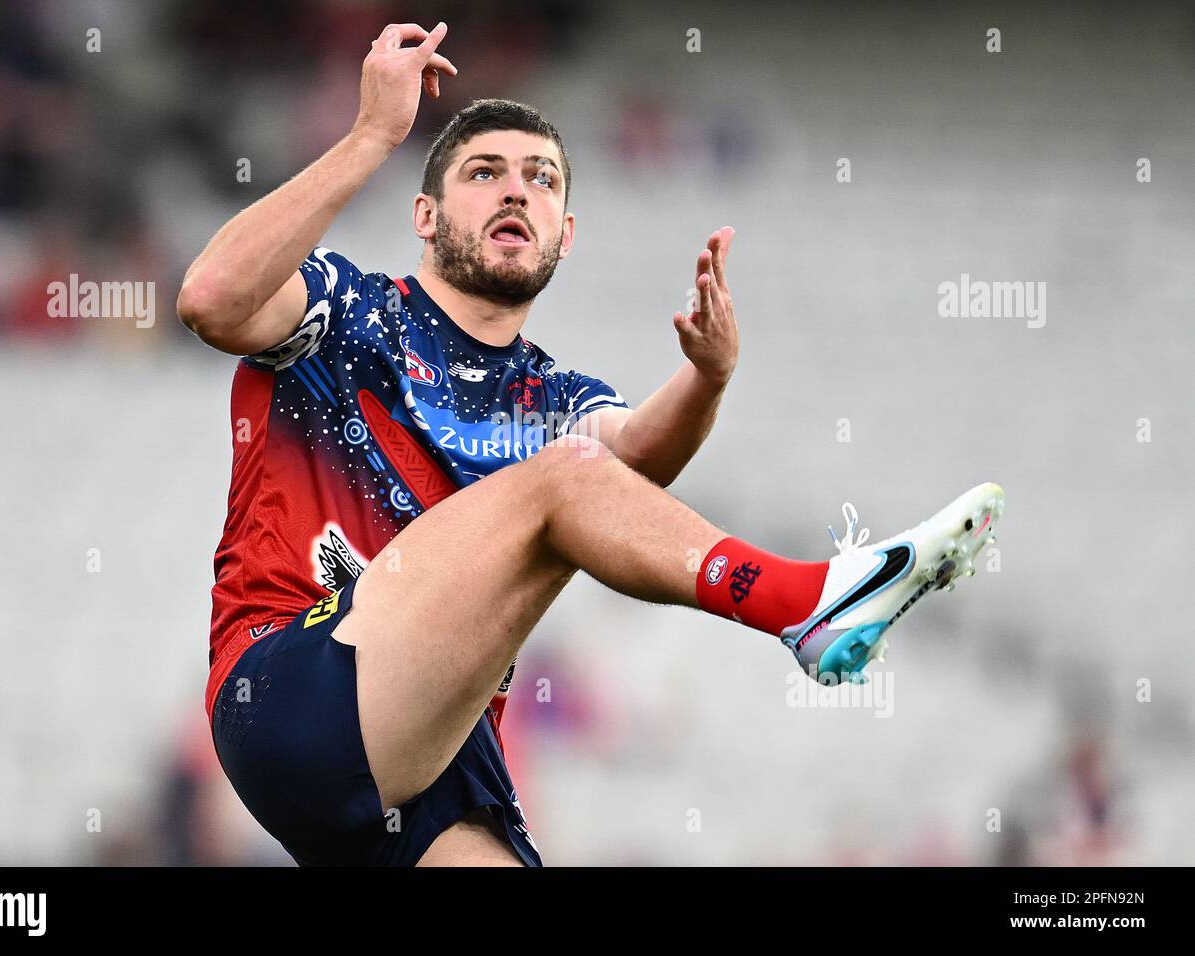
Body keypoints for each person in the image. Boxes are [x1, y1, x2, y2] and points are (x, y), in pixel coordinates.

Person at [178, 21, 1004, 866]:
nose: (516, 192)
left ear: (564, 234)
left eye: (542, 181)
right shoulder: (345, 309)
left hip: (426, 761)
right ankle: (807, 603)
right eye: (484, 173)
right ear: (424, 216)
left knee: (579, 478)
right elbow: (212, 299)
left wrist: (708, 378)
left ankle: (810, 608)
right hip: (286, 688)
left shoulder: (554, 397)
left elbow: (635, 464)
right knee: (568, 477)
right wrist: (372, 136)